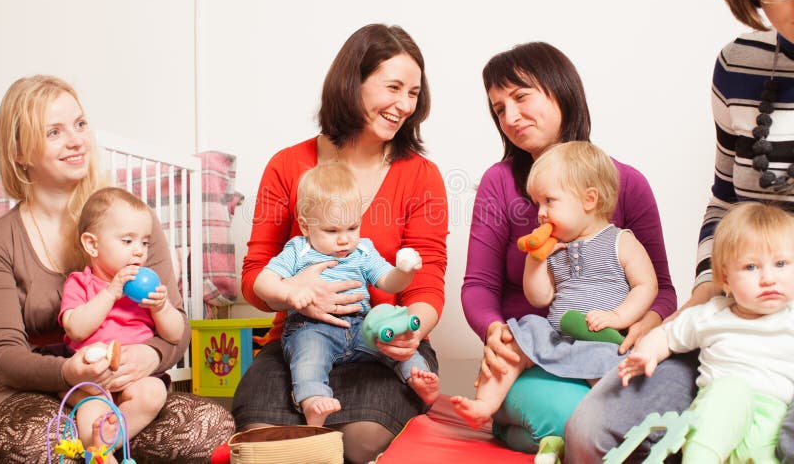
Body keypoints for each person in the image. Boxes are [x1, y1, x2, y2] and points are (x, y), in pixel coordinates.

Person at [565, 0, 794, 462]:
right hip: (741, 307)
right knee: (592, 432)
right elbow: (723, 198)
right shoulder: (739, 65)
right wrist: (708, 285)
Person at [232, 23, 448, 464]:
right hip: (300, 340)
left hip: (380, 341)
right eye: (393, 87)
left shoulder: (421, 176)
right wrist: (299, 292)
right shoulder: (287, 165)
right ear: (353, 82)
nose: (404, 105)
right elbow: (253, 277)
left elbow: (425, 285)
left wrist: (410, 332)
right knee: (265, 444)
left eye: (413, 93)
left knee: (360, 439)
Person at [0, 75, 234, 463]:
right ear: (20, 153)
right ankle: (97, 448)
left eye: (80, 124)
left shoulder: (132, 222)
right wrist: (70, 372)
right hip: (34, 391)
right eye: (54, 132)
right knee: (38, 445)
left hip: (125, 391)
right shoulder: (1, 239)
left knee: (210, 426)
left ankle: (102, 446)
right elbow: (5, 354)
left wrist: (150, 357)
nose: (76, 141)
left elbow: (174, 326)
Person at [461, 41, 677, 453]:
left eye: (521, 97)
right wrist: (498, 333)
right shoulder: (499, 182)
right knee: (576, 420)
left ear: (561, 90)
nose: (510, 116)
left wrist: (641, 325)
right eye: (498, 108)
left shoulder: (625, 182)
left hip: (603, 352)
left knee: (623, 422)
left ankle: (516, 432)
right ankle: (520, 417)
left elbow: (661, 289)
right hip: (527, 354)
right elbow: (477, 286)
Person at [453, 141, 658, 459]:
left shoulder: (621, 241)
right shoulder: (554, 248)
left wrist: (618, 317)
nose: (541, 213)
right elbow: (540, 297)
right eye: (537, 203)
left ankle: (616, 426)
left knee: (618, 373)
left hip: (600, 337)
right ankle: (485, 405)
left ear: (589, 199)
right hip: (557, 336)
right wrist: (535, 261)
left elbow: (647, 286)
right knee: (517, 337)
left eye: (549, 201)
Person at [255, 163, 439, 427]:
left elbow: (388, 282)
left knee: (398, 346)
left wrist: (404, 271)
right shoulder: (298, 250)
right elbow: (263, 281)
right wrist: (289, 291)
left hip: (360, 325)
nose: (344, 240)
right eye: (331, 231)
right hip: (313, 328)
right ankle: (313, 402)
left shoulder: (362, 251)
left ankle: (418, 378)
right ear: (306, 226)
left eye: (352, 228)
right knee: (309, 357)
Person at [619, 202, 794, 463]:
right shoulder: (710, 315)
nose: (768, 278)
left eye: (781, 263)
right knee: (731, 393)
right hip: (718, 415)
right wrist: (646, 353)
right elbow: (667, 334)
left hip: (773, 422)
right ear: (725, 279)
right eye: (751, 267)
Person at [59, 187, 185, 457]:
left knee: (154, 393)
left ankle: (106, 445)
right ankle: (99, 442)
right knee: (92, 411)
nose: (139, 252)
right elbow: (76, 328)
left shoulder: (147, 287)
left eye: (145, 243)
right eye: (128, 242)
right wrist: (110, 293)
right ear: (92, 244)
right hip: (93, 381)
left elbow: (175, 334)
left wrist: (161, 307)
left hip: (136, 378)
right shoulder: (80, 283)